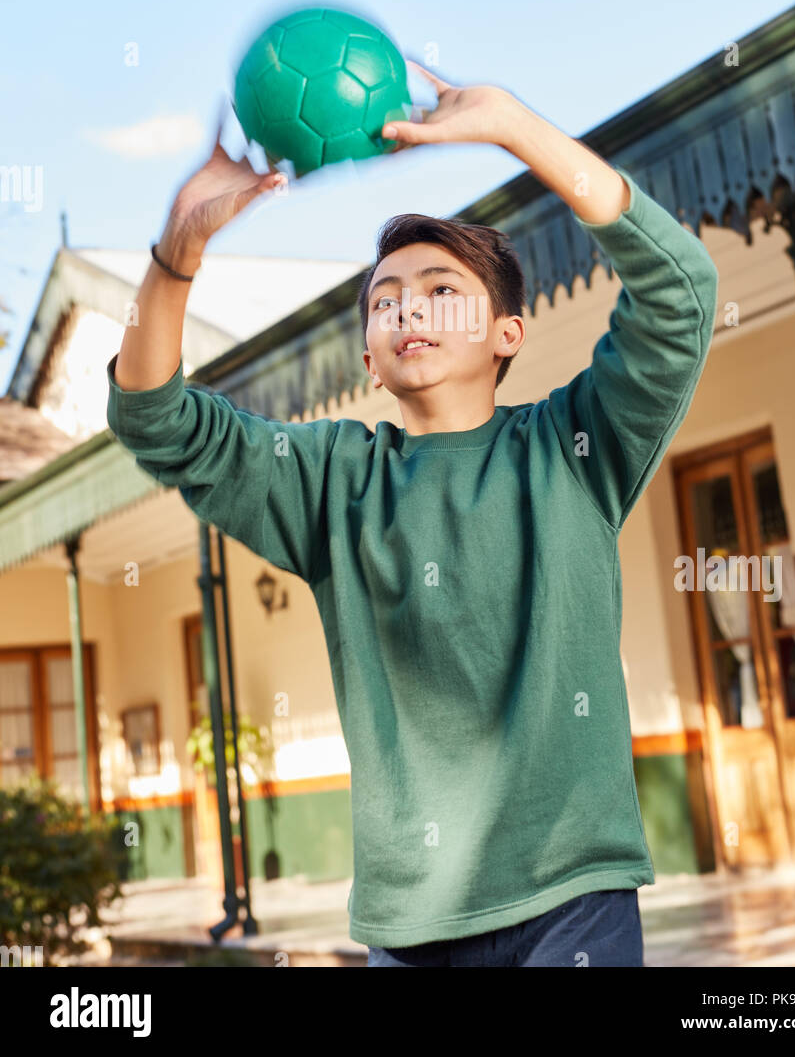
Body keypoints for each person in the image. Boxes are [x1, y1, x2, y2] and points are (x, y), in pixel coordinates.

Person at [106, 63, 718, 967]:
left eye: (440, 288)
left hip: (576, 904)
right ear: (367, 351)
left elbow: (682, 293)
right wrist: (177, 254)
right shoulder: (332, 483)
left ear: (508, 332)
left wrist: (515, 126)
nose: (408, 309)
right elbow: (152, 416)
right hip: (412, 928)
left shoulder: (574, 447)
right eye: (386, 299)